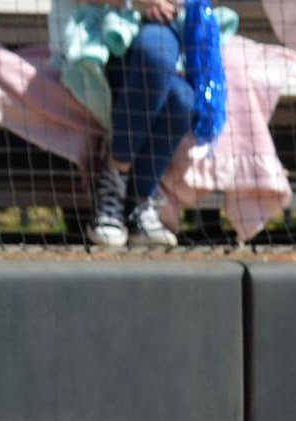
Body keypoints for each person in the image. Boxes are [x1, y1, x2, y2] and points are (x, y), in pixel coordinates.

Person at [50, 0, 191, 247]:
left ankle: (138, 201)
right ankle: (113, 186)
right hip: (98, 32)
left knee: (184, 100)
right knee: (158, 63)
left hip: (163, 29)